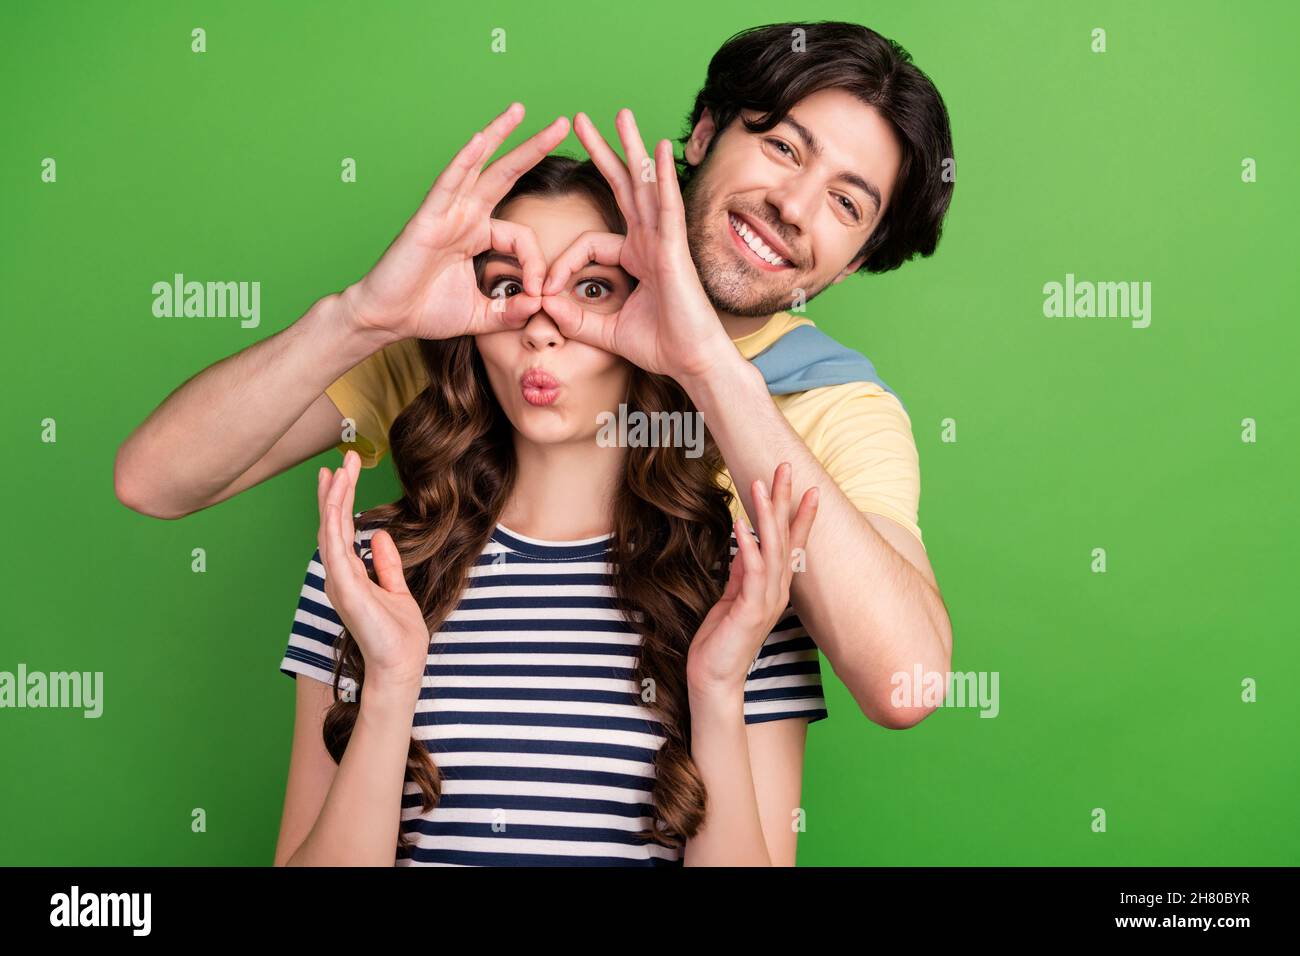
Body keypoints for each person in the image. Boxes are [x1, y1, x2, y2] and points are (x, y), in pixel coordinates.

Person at [116, 21, 955, 729]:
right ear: (704, 133)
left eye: (848, 203)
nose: (795, 207)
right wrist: (363, 315)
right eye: (782, 147)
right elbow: (156, 481)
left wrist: (707, 366)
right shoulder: (509, 318)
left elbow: (903, 682)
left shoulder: (832, 403)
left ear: (853, 264)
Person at [275, 156, 824, 866]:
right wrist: (390, 687)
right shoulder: (367, 566)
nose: (541, 328)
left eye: (591, 289)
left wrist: (716, 687)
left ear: (655, 314)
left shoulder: (748, 582)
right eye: (509, 288)